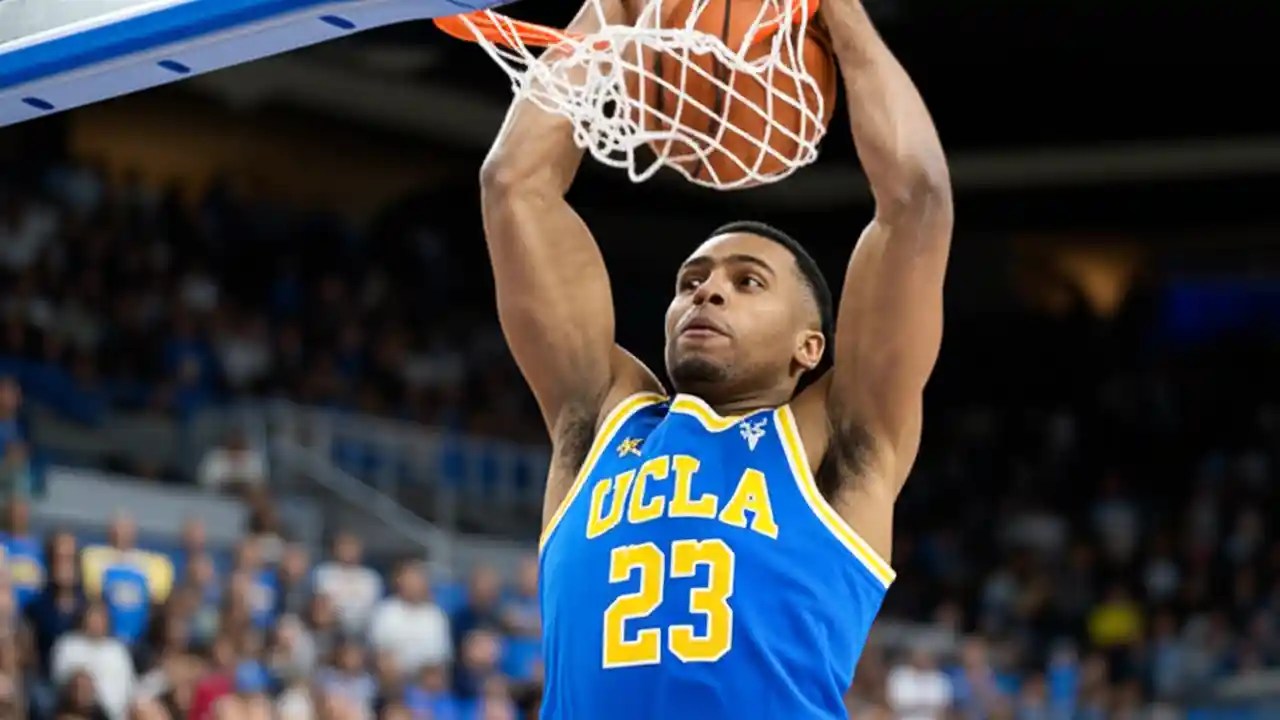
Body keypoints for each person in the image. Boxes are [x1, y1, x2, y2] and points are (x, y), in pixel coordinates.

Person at [478, 0, 951, 715]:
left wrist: (841, 14)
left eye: (746, 282)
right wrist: (609, 11)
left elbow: (916, 199)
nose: (707, 295)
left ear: (810, 347)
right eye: (690, 283)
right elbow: (514, 186)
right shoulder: (604, 416)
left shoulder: (837, 441)